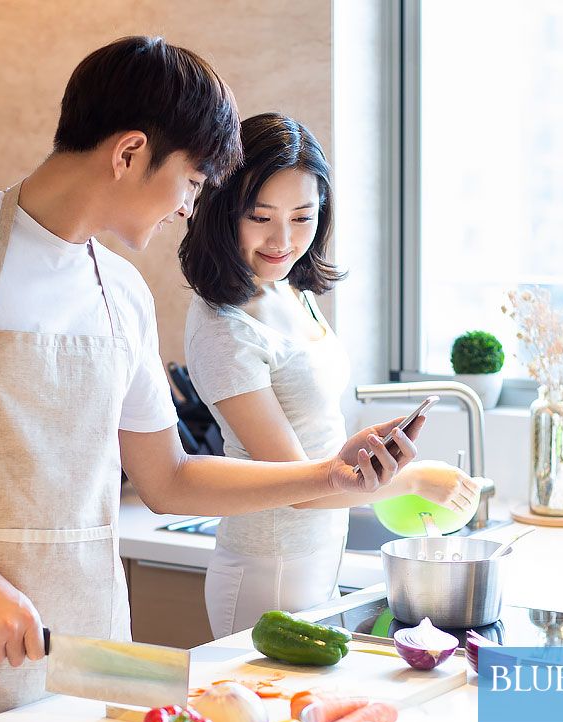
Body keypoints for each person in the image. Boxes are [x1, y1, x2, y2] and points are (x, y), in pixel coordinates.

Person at [0, 38, 422, 722]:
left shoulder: (121, 292)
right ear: (127, 154)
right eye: (189, 181)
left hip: (94, 658)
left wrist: (327, 474)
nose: (190, 208)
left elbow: (168, 478)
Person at [179, 113, 481, 638]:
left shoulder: (294, 291)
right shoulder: (222, 326)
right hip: (265, 571)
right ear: (224, 211)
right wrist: (412, 478)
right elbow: (298, 486)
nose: (283, 240)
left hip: (318, 557)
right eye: (260, 216)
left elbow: (316, 438)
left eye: (303, 216)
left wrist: (369, 452)